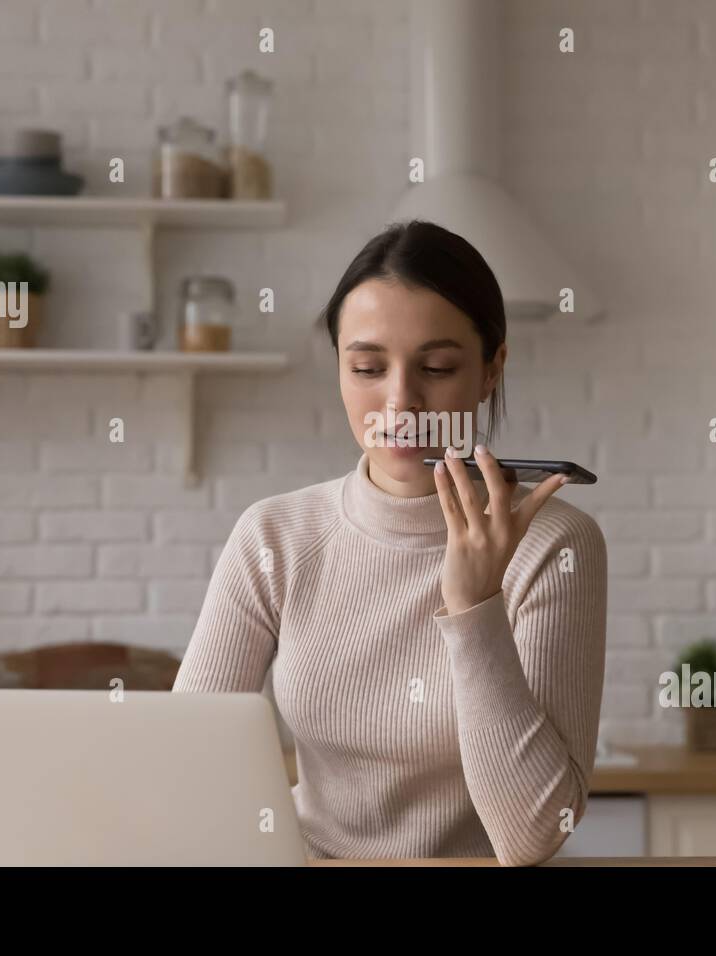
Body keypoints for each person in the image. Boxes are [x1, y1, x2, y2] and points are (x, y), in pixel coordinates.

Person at [173, 219, 607, 866]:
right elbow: (184, 763)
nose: (400, 401)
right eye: (368, 368)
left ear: (491, 369)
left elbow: (531, 837)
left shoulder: (555, 544)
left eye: (437, 367)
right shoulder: (273, 536)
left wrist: (474, 606)